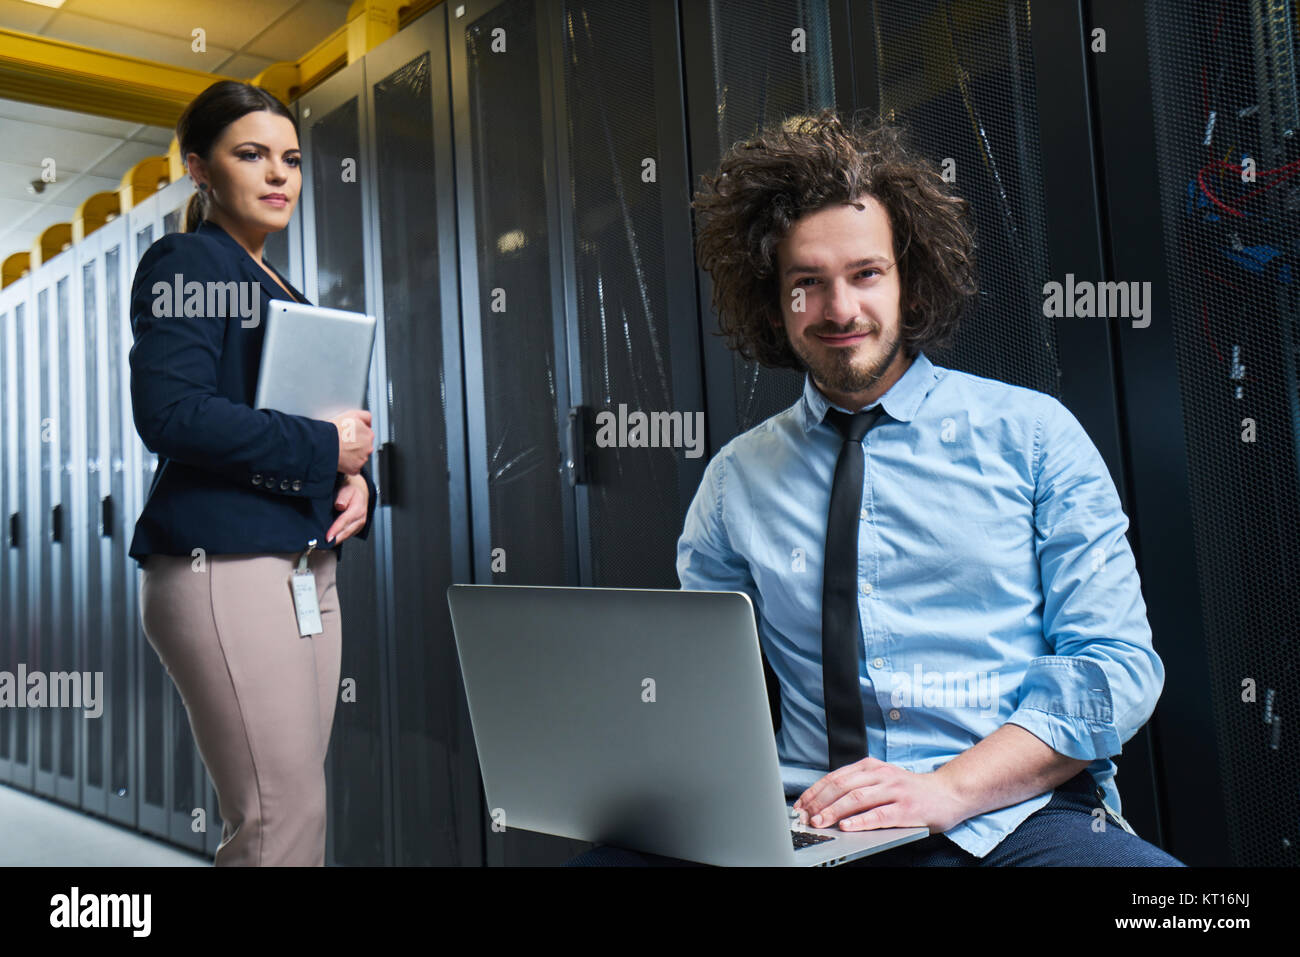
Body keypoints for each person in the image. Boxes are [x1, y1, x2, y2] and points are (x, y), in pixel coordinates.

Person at [568, 108, 1184, 866]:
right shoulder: (732, 483)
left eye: (866, 274)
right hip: (805, 821)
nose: (840, 309)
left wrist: (948, 789)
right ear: (774, 300)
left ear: (910, 281)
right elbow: (702, 693)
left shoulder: (1032, 436)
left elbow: (1114, 668)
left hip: (1011, 819)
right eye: (808, 283)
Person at [128, 80, 377, 866]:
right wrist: (319, 444)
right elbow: (172, 414)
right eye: (252, 155)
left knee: (294, 812)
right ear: (199, 170)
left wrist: (353, 479)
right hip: (225, 566)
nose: (279, 175)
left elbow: (312, 426)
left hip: (306, 567)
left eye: (292, 160)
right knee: (278, 821)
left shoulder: (284, 288)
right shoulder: (187, 259)